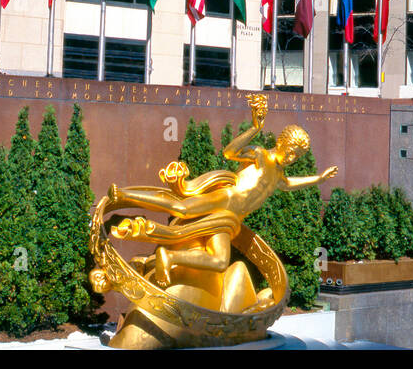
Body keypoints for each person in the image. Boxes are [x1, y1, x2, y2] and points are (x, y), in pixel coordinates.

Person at [107, 94, 337, 287]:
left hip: (229, 219)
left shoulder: (278, 175)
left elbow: (289, 185)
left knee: (219, 261)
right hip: (226, 199)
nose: (292, 158)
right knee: (181, 208)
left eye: (297, 156)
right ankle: (125, 195)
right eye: (292, 151)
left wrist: (319, 178)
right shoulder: (260, 155)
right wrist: (255, 128)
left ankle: (168, 257)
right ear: (282, 143)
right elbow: (229, 152)